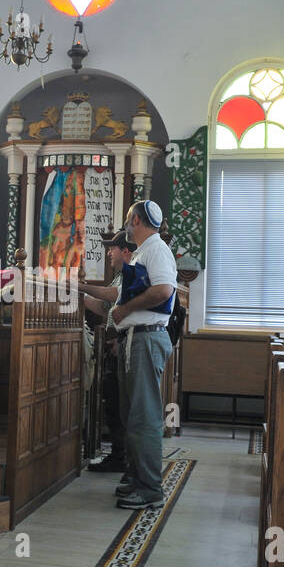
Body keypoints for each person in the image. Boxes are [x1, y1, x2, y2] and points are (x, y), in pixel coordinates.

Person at [111, 199, 177, 508]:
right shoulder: (142, 251)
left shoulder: (155, 249)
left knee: (145, 417)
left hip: (147, 339)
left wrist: (124, 309)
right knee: (132, 416)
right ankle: (138, 480)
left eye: (128, 218)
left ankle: (150, 490)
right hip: (136, 339)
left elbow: (163, 291)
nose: (126, 223)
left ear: (136, 220)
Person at [80, 231, 135, 473]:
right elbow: (105, 307)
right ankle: (119, 454)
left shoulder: (131, 275)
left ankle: (124, 458)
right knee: (114, 403)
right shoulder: (120, 276)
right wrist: (80, 297)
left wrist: (80, 288)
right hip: (115, 343)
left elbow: (115, 304)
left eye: (112, 248)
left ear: (125, 251)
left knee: (121, 405)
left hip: (120, 344)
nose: (108, 253)